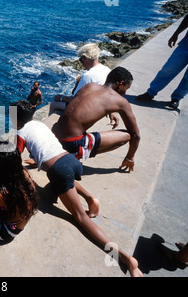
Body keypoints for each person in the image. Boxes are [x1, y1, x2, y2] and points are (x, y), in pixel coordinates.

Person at [10, 100, 142, 277]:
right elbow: (47, 144)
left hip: (60, 171)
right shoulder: (39, 124)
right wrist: (37, 158)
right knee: (61, 181)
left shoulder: (20, 132)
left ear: (16, 120)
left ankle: (126, 259)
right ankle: (90, 198)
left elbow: (13, 162)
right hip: (71, 161)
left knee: (80, 218)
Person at [52, 66, 140, 172]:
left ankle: (67, 151)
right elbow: (136, 135)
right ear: (120, 84)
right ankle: (72, 156)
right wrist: (130, 157)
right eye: (126, 88)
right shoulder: (120, 101)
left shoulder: (89, 86)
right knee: (127, 136)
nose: (125, 92)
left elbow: (81, 105)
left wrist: (110, 111)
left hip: (54, 135)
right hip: (71, 143)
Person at [135, 14, 188, 109]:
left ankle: (176, 98)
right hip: (186, 45)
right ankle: (151, 92)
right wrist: (176, 34)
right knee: (169, 69)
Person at [49, 43, 111, 115]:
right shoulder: (107, 70)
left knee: (54, 105)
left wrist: (61, 97)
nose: (81, 63)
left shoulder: (88, 75)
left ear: (84, 59)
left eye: (81, 60)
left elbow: (75, 99)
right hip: (103, 106)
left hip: (90, 110)